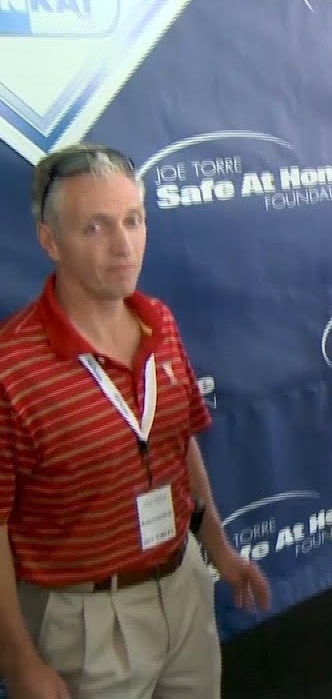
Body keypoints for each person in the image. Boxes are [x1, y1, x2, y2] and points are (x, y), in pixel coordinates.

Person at [0, 143, 270, 699]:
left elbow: (179, 445)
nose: (123, 245)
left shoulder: (159, 322)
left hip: (182, 585)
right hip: (86, 621)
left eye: (133, 220)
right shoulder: (13, 367)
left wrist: (218, 549)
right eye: (94, 227)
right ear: (50, 241)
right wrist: (19, 659)